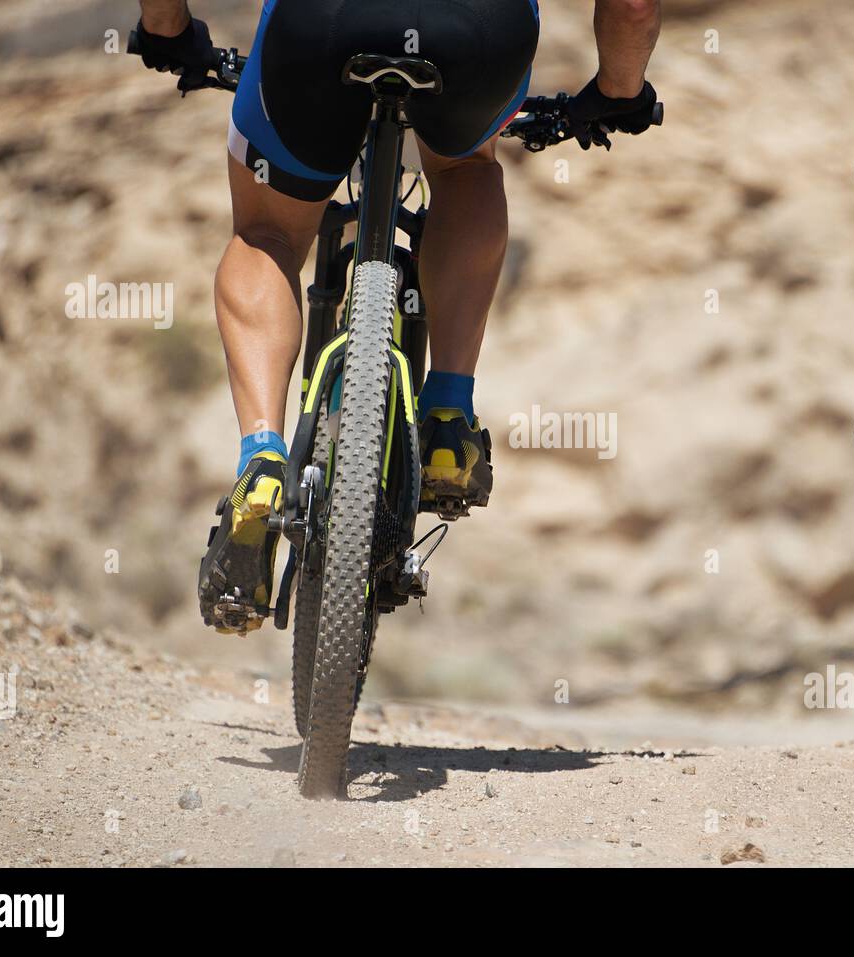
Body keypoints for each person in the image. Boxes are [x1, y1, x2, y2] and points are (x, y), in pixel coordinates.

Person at [134, 0, 662, 632]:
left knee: (267, 231)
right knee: (467, 169)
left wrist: (168, 31)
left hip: (323, 23)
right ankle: (447, 417)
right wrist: (617, 91)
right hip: (475, 30)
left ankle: (263, 462)